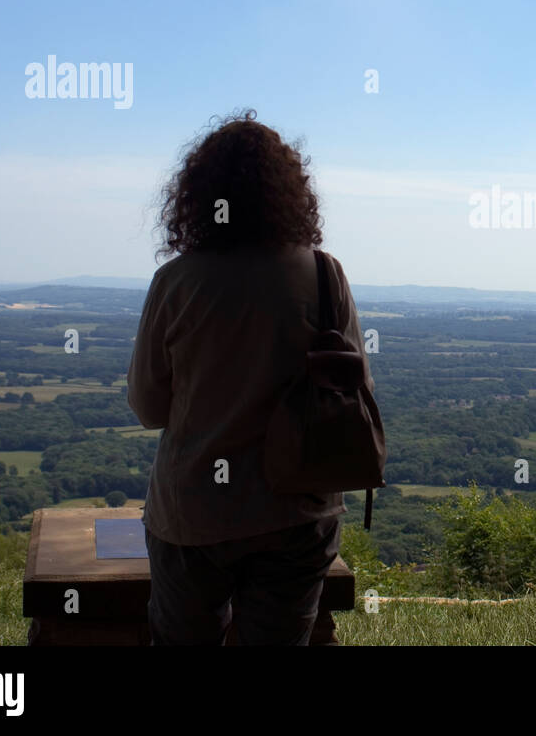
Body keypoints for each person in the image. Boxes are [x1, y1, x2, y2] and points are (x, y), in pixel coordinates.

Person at [126, 109, 371, 645]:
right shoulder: (324, 274)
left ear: (197, 194)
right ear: (290, 191)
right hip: (297, 511)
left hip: (194, 514)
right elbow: (354, 389)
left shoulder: (176, 281)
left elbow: (148, 408)